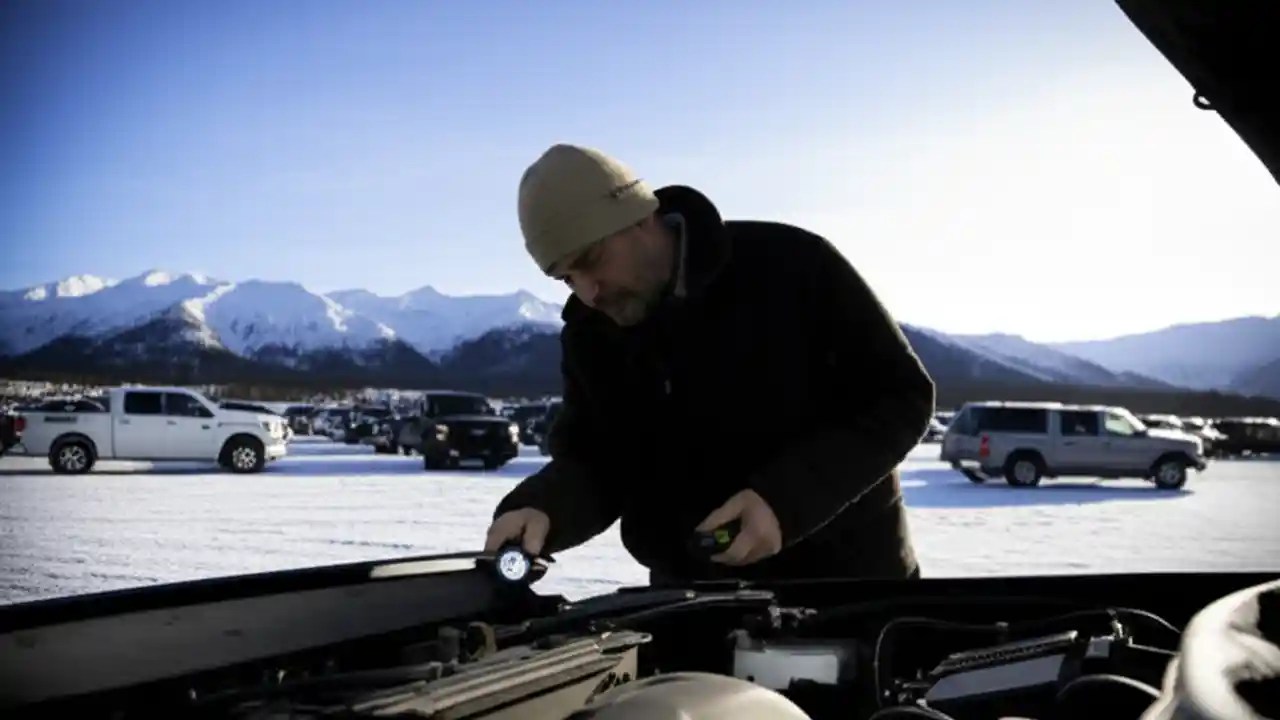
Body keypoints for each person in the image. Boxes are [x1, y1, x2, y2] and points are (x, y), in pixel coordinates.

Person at [483, 143, 935, 583]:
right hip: (691, 601)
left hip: (848, 592)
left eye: (590, 261)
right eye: (566, 278)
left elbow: (899, 394)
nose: (589, 293)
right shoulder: (590, 334)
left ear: (640, 216)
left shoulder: (792, 267)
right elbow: (600, 460)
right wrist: (542, 507)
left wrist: (785, 502)